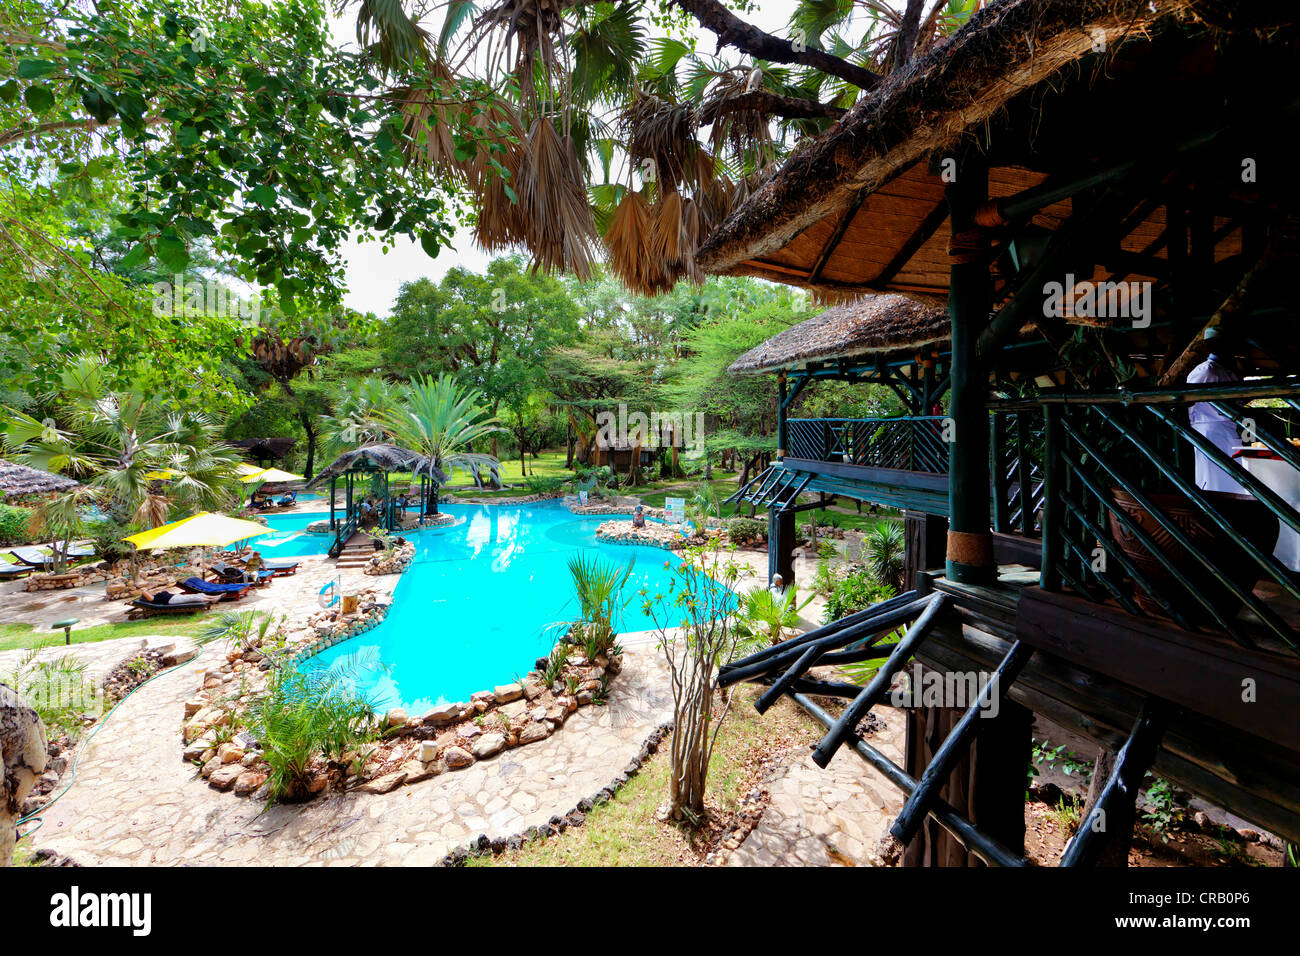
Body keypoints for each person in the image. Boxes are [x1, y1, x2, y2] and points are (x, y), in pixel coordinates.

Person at [1187, 327, 1247, 493]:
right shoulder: (1206, 371)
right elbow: (1187, 401)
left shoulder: (1228, 370)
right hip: (1210, 430)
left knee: (1233, 478)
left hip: (1227, 428)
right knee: (1213, 478)